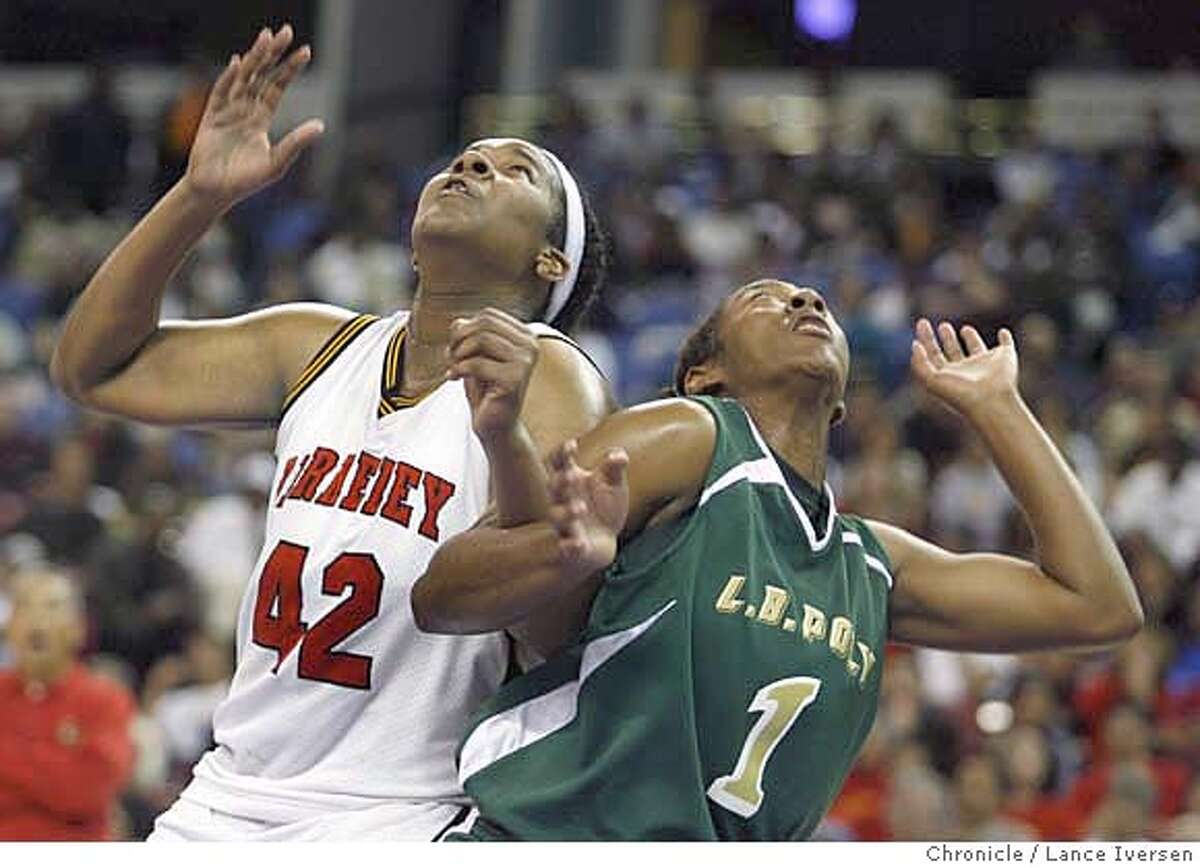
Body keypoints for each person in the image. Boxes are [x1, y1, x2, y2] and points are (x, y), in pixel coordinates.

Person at [50, 23, 612, 840]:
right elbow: (92, 369)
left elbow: (549, 595)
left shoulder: (553, 372)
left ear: (548, 263)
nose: (472, 165)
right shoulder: (322, 344)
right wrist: (198, 196)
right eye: (465, 157)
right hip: (227, 789)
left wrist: (503, 441)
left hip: (398, 808)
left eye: (514, 169)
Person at [412, 279, 1144, 840]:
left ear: (841, 408)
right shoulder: (693, 434)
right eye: (764, 298)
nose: (804, 295)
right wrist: (558, 552)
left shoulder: (870, 562)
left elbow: (1099, 606)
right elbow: (443, 591)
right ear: (705, 373)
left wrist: (999, 409)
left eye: (809, 295)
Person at [0, 570, 135, 840]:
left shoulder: (105, 699)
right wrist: (56, 763)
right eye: (24, 607)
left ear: (79, 629)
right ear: (10, 627)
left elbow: (89, 791)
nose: (37, 620)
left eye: (51, 608)